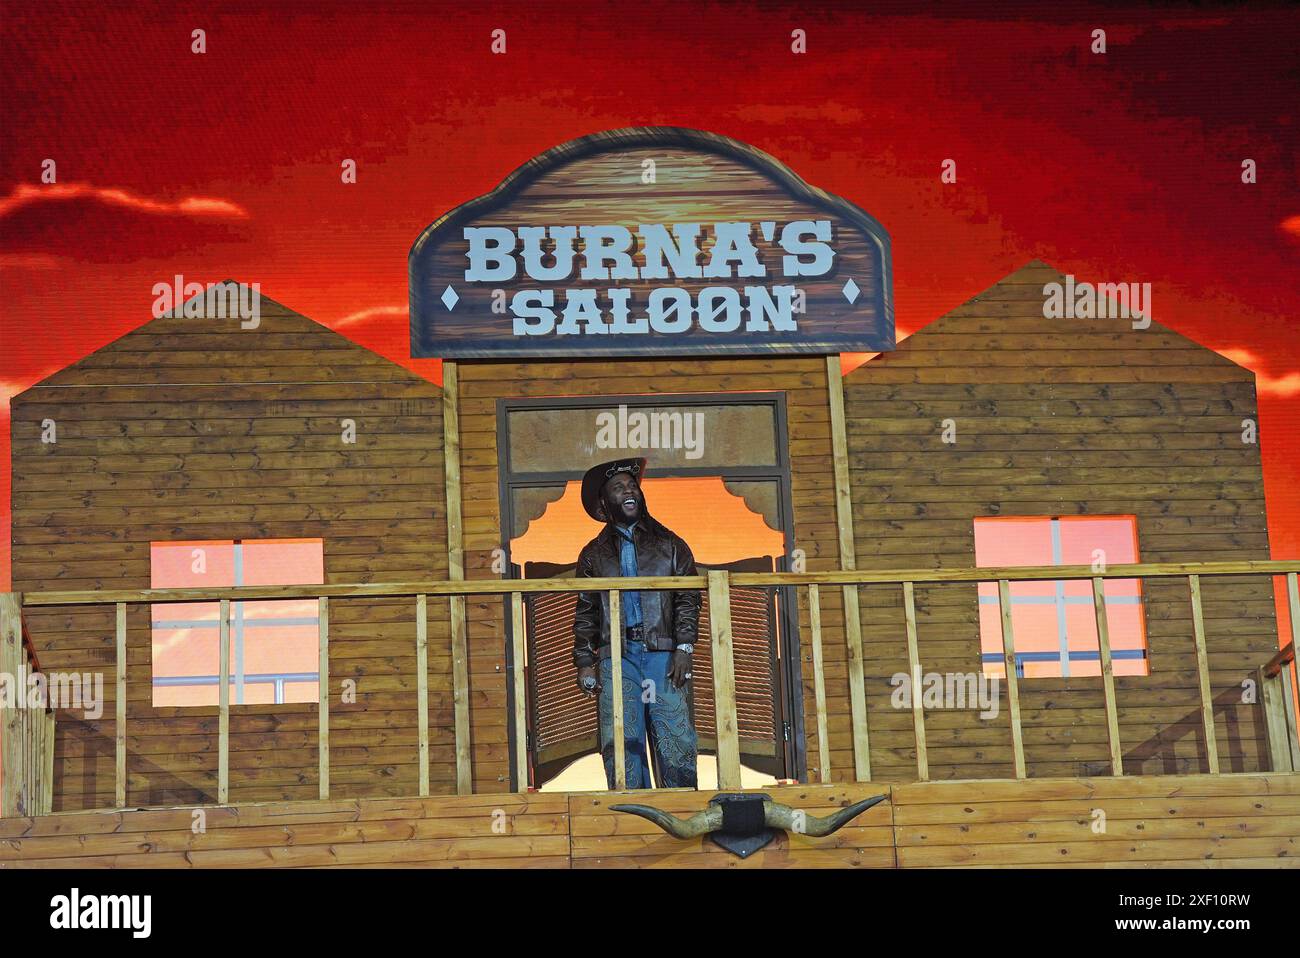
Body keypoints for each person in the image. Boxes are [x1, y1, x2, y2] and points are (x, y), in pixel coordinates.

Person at [573, 457, 700, 789]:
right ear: (604, 503)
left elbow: (688, 599)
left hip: (663, 653)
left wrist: (685, 647)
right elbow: (585, 613)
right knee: (621, 739)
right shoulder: (593, 554)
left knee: (675, 739)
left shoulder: (670, 544)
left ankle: (682, 809)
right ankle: (631, 817)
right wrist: (585, 661)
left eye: (632, 486)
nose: (629, 491)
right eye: (619, 488)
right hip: (618, 655)